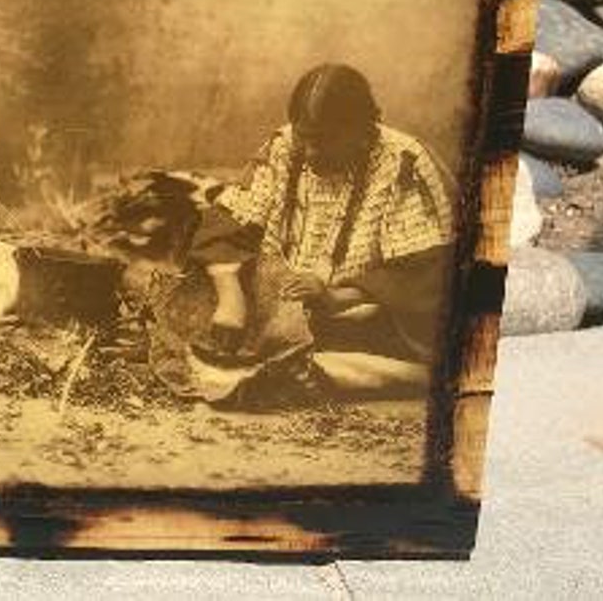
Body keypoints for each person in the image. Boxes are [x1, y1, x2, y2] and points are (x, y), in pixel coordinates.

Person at [188, 63, 456, 397]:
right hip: (281, 305)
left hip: (362, 315)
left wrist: (334, 297)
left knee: (431, 350)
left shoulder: (402, 162)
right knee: (196, 290)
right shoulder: (284, 145)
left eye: (325, 141)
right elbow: (230, 220)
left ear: (361, 132)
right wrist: (231, 300)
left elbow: (423, 276)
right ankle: (298, 363)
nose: (311, 152)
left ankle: (313, 369)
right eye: (305, 138)